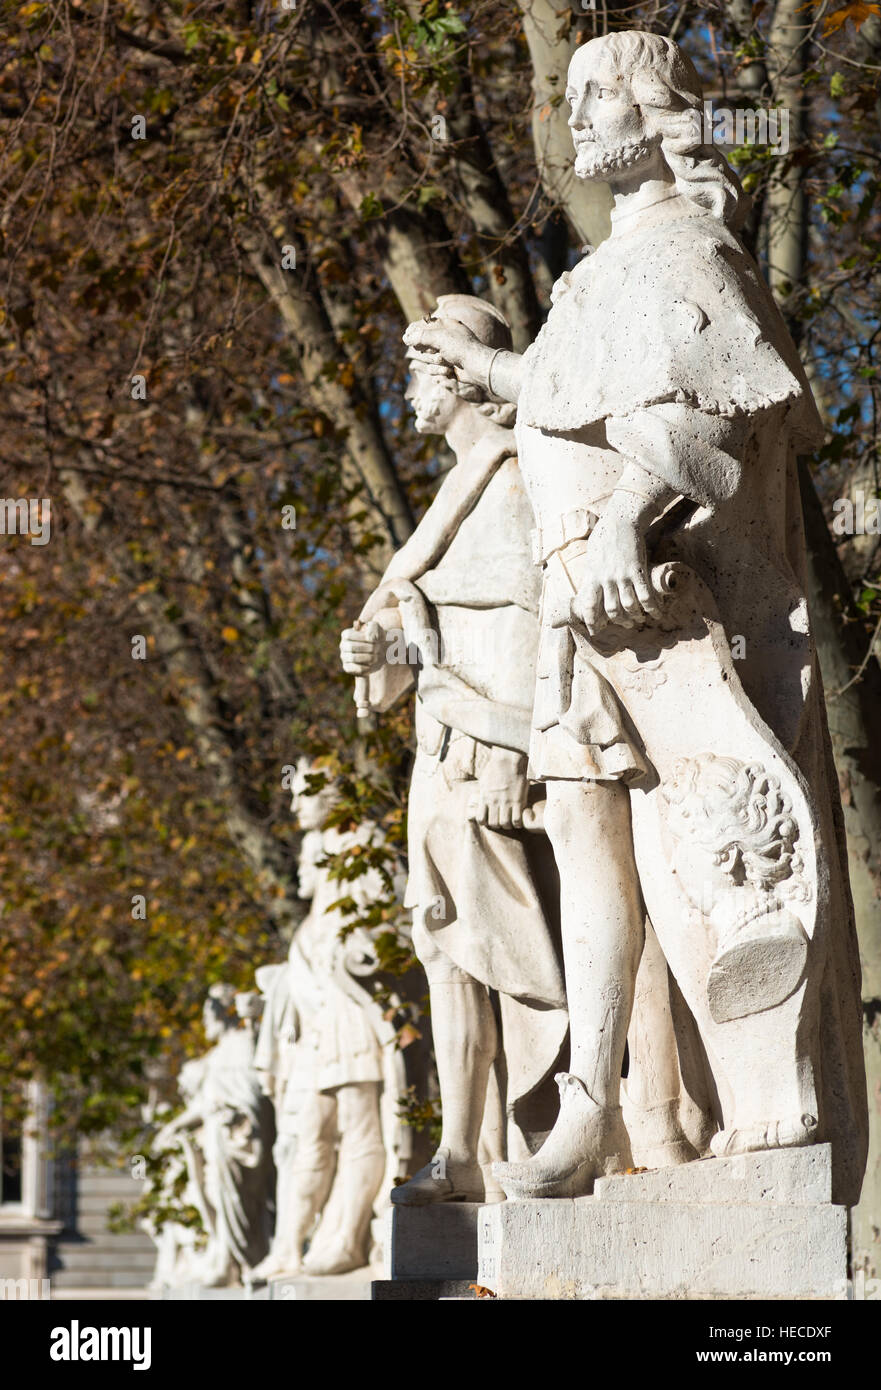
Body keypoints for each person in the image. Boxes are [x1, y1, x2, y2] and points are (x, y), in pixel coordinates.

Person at [402, 31, 867, 1205]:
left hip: (665, 606)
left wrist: (619, 523)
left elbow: (703, 409)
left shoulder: (688, 245)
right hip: (585, 616)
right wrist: (479, 365)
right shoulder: (597, 275)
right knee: (590, 849)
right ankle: (592, 1107)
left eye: (586, 97)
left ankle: (762, 1107)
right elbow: (574, 391)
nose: (571, 122)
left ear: (648, 109)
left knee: (707, 852)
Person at [341, 295, 568, 1204]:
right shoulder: (457, 484)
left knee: (514, 952)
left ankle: (533, 1132)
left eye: (417, 371)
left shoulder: (516, 473)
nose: (404, 392)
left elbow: (532, 617)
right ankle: (460, 1149)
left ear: (457, 375)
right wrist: (378, 651)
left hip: (493, 752)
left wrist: (518, 750)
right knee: (444, 950)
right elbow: (423, 633)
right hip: (438, 752)